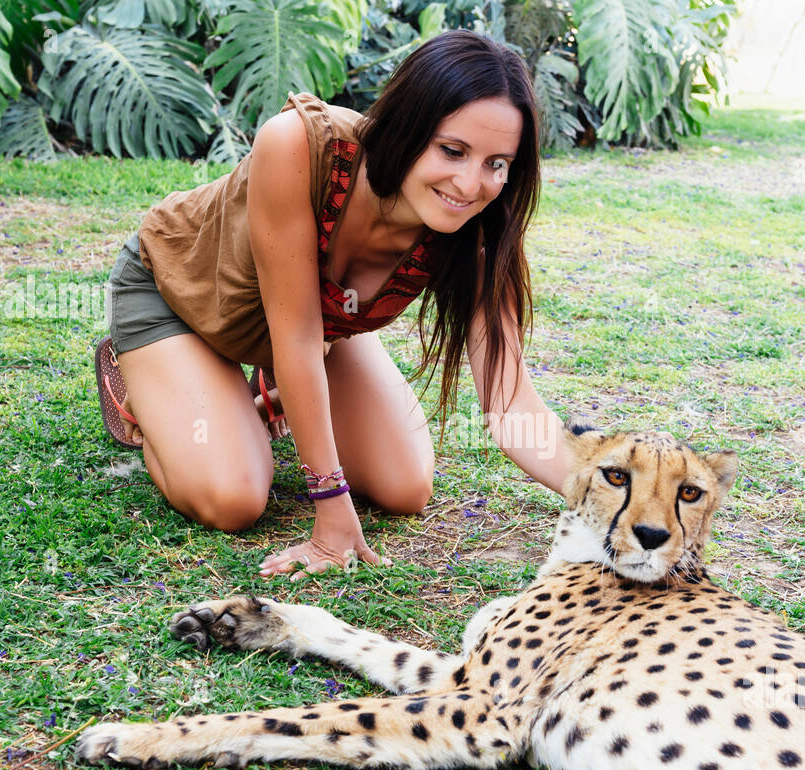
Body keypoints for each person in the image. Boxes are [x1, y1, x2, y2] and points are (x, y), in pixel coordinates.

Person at [95, 29, 569, 582]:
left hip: (310, 323)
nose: (471, 184)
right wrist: (330, 504)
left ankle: (264, 402)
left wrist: (608, 501)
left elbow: (513, 409)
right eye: (452, 150)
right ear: (409, 125)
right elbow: (296, 340)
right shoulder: (300, 146)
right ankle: (147, 406)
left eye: (497, 163)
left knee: (404, 487)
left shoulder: (477, 233)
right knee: (234, 497)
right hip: (178, 295)